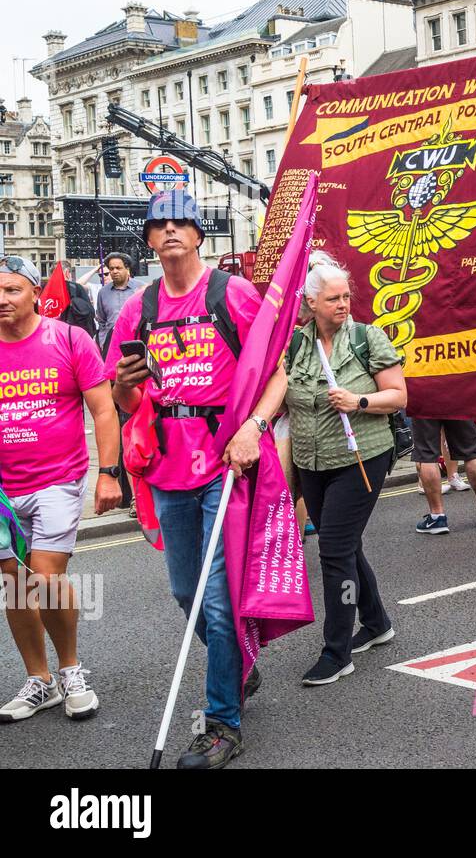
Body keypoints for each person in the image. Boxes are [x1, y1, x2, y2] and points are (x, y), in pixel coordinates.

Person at [106, 196, 279, 769]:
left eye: (182, 222)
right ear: (150, 239)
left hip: (225, 466)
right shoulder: (138, 309)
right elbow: (124, 398)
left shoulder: (231, 293)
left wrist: (254, 427)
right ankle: (238, 668)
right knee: (186, 593)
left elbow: (277, 370)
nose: (172, 230)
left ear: (200, 235)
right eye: (160, 224)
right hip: (167, 470)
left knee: (220, 601)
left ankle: (222, 724)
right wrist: (127, 385)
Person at [262, 253, 407, 685]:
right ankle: (377, 622)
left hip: (361, 457)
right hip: (312, 459)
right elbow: (276, 391)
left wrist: (359, 401)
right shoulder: (294, 344)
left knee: (333, 552)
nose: (342, 304)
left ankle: (337, 650)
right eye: (332, 298)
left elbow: (399, 397)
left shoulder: (368, 338)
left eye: (346, 296)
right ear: (310, 302)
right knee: (341, 543)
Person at [0, 256, 120, 724]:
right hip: (3, 491)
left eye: (12, 289)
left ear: (35, 292)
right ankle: (39, 681)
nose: (2, 299)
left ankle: (70, 669)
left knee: (46, 578)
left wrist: (107, 472)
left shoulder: (69, 338)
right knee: (13, 584)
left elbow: (104, 410)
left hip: (57, 478)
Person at [96, 252, 146, 514]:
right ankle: (128, 495)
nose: (113, 272)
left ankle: (140, 495)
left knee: (134, 425)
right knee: (120, 423)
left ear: (128, 269)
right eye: (110, 268)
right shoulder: (103, 294)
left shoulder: (140, 291)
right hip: (111, 360)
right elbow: (102, 324)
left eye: (117, 268)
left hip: (136, 361)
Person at [411, 418, 476, 535]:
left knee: (427, 455)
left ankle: (437, 517)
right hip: (458, 401)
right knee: (471, 452)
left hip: (426, 402)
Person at [57, 260, 97, 340]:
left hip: (54, 336)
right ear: (67, 273)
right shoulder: (76, 288)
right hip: (77, 336)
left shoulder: (44, 290)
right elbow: (91, 312)